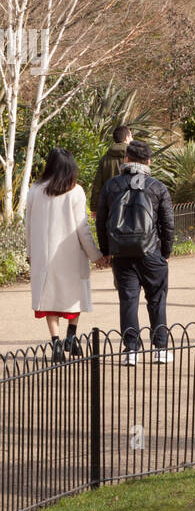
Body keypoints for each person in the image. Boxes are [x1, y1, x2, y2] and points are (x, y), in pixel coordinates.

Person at [95, 139, 175, 364]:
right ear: (149, 161)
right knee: (157, 299)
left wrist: (107, 250)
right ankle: (160, 348)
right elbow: (168, 224)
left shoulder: (111, 186)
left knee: (128, 300)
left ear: (126, 159)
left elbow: (101, 222)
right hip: (151, 252)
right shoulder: (157, 186)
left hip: (122, 254)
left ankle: (131, 350)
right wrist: (165, 252)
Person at [26, 147, 107, 362]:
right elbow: (83, 229)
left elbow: (28, 226)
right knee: (73, 296)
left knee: (50, 298)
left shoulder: (35, 190)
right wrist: (95, 255)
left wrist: (30, 253)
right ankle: (72, 336)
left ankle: (56, 342)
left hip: (43, 256)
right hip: (71, 255)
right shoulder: (76, 191)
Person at [90, 123, 132, 213]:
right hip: (129, 207)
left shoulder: (104, 159)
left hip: (109, 206)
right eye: (131, 136)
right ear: (126, 138)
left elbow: (97, 185)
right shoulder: (133, 158)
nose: (132, 139)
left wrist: (94, 207)